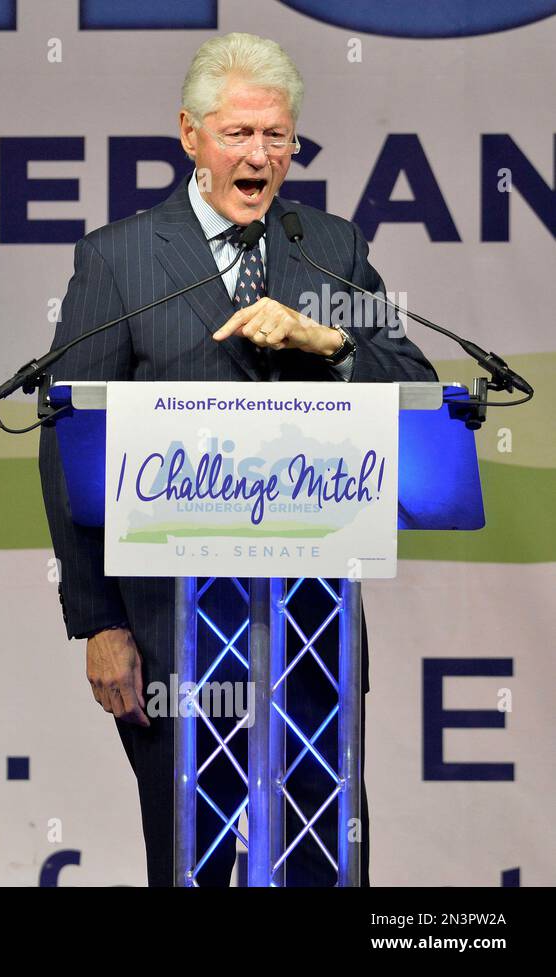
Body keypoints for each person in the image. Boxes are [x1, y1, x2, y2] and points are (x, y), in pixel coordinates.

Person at [38, 32, 438, 886]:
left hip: (311, 629)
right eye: (239, 135)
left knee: (327, 863)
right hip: (169, 632)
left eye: (278, 137)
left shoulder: (328, 247)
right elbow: (67, 442)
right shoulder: (122, 258)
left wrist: (325, 340)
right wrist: (99, 622)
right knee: (194, 861)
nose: (260, 156)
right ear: (190, 135)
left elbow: (411, 385)